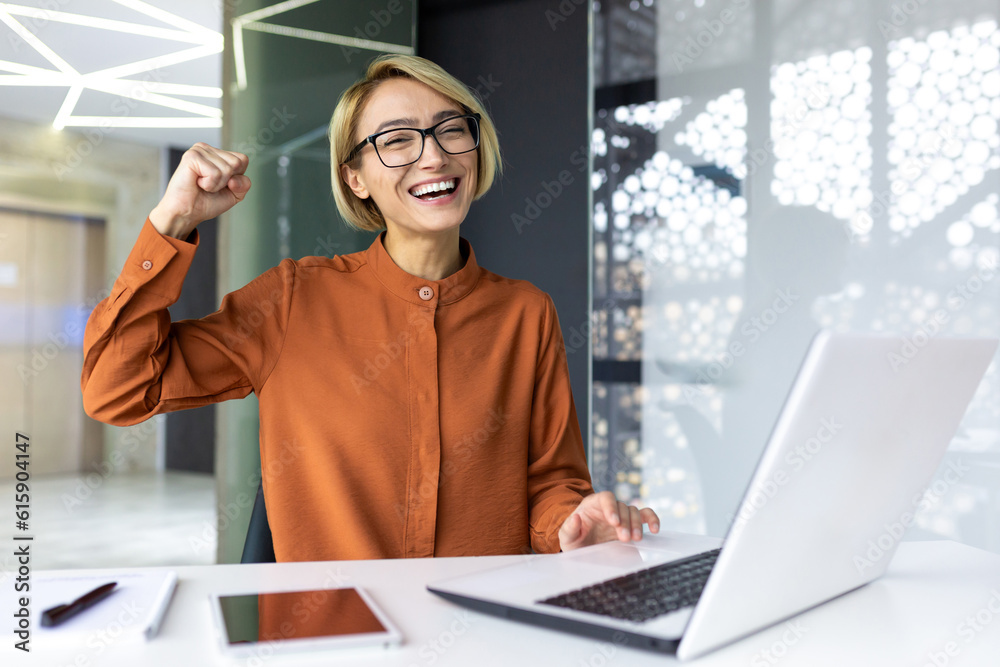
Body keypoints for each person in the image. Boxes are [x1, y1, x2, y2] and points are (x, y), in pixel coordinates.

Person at [81, 54, 659, 562]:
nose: (432, 155)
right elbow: (117, 387)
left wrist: (574, 525)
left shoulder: (526, 313)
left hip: (483, 635)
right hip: (332, 643)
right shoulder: (291, 300)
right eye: (398, 140)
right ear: (354, 177)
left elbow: (551, 483)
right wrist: (172, 220)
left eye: (450, 130)